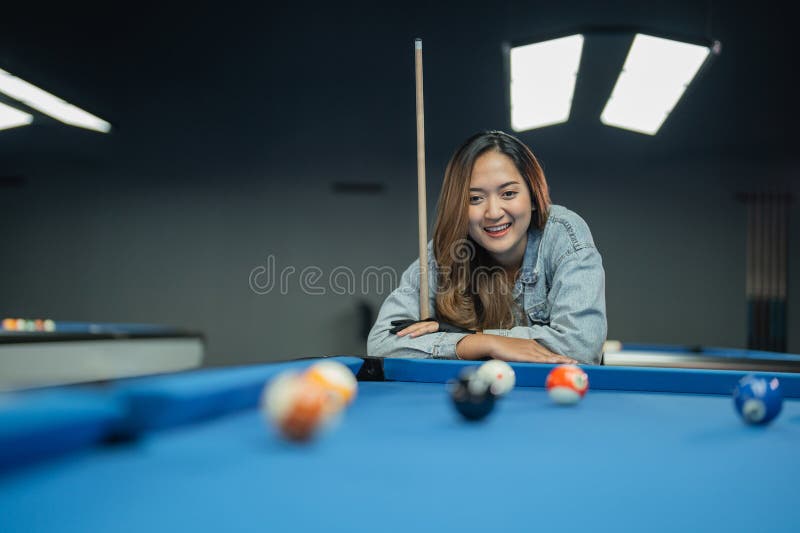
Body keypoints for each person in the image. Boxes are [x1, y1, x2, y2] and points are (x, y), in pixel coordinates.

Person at [367, 130, 606, 364]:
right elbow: (381, 343)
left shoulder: (564, 233)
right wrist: (484, 344)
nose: (493, 212)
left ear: (533, 197)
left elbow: (581, 347)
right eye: (475, 199)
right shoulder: (446, 249)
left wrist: (470, 336)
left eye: (508, 193)